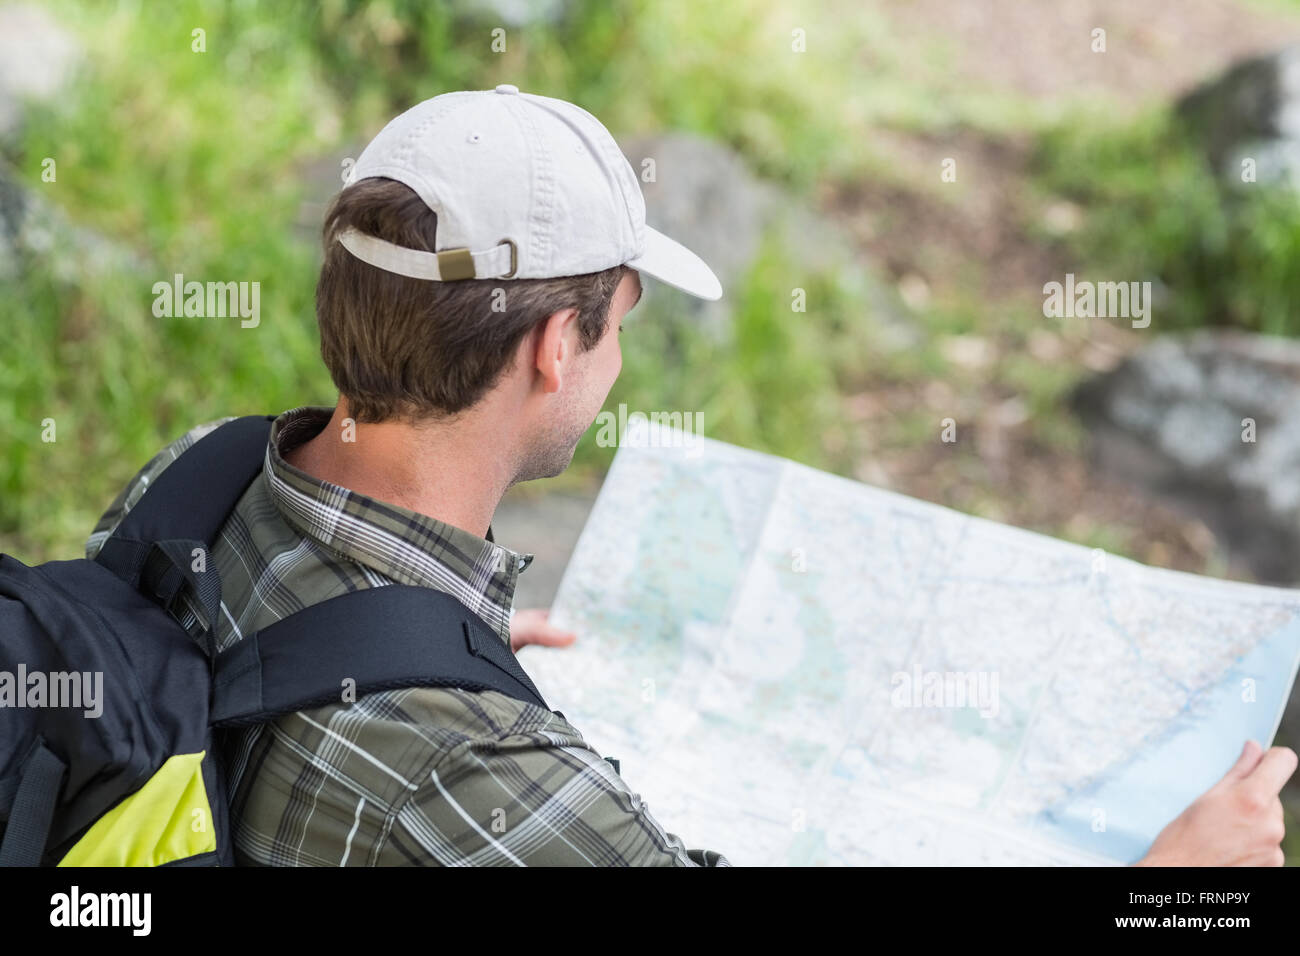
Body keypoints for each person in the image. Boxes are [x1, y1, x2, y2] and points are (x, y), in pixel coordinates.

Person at [87, 87, 1294, 867]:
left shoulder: (190, 475)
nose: (613, 358)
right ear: (554, 346)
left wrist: (442, 635)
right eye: (617, 321)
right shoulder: (486, 778)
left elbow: (256, 658)